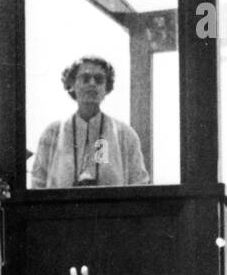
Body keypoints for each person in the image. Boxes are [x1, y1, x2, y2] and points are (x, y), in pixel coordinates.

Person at [29, 55, 150, 188]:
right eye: (85, 79)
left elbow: (139, 184)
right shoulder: (53, 133)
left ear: (106, 87)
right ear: (72, 85)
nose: (92, 84)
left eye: (99, 80)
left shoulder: (125, 134)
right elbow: (37, 183)